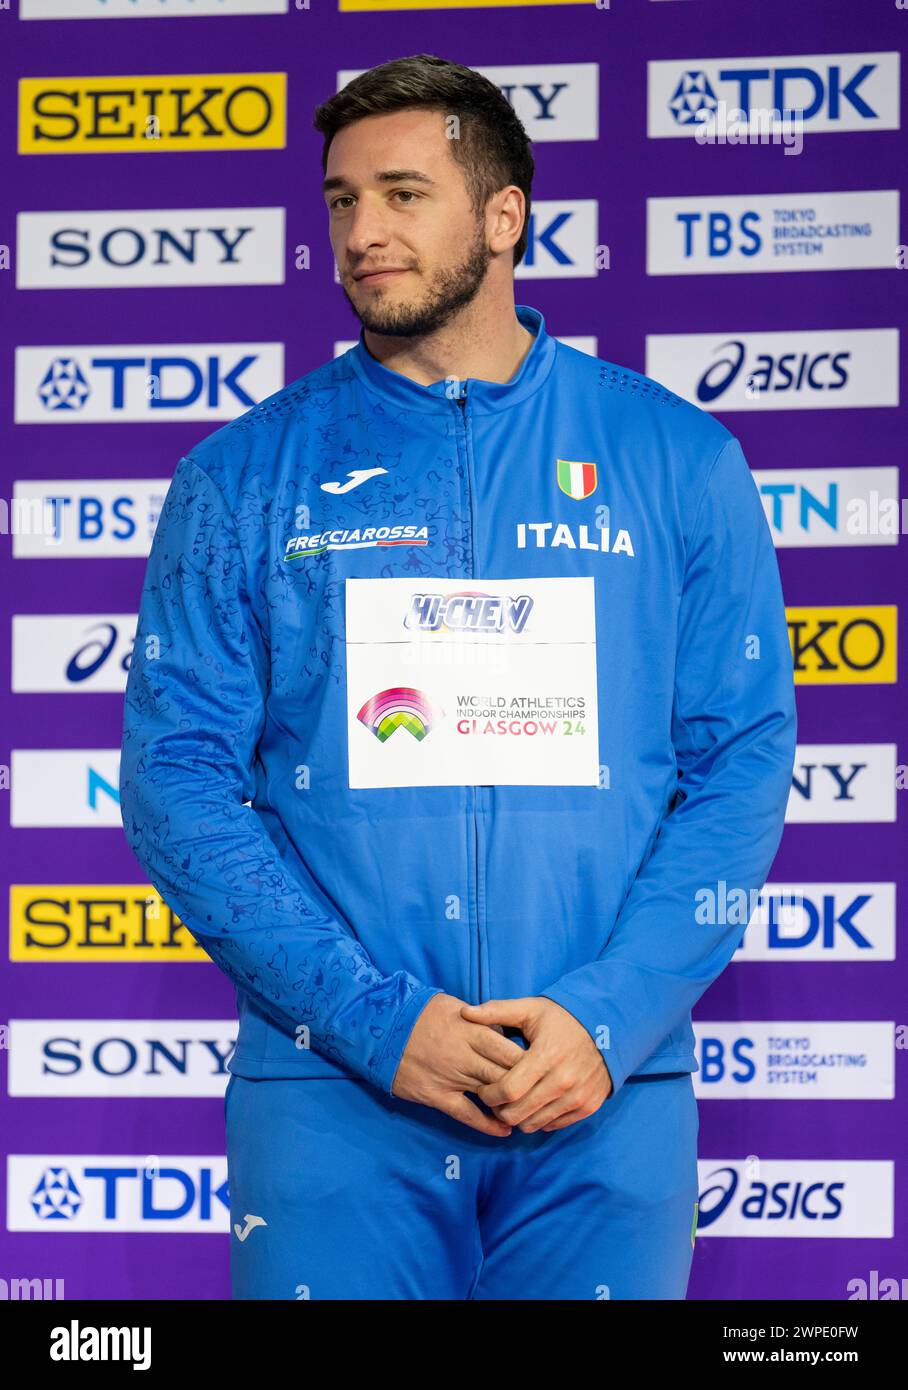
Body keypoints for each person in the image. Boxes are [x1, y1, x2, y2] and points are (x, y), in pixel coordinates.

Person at [119, 53, 797, 1300]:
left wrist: (606, 1016)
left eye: (400, 193)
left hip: (598, 1090)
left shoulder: (677, 457)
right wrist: (378, 1021)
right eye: (338, 201)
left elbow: (739, 764)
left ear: (502, 215)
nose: (361, 233)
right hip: (334, 1093)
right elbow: (178, 781)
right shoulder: (241, 475)